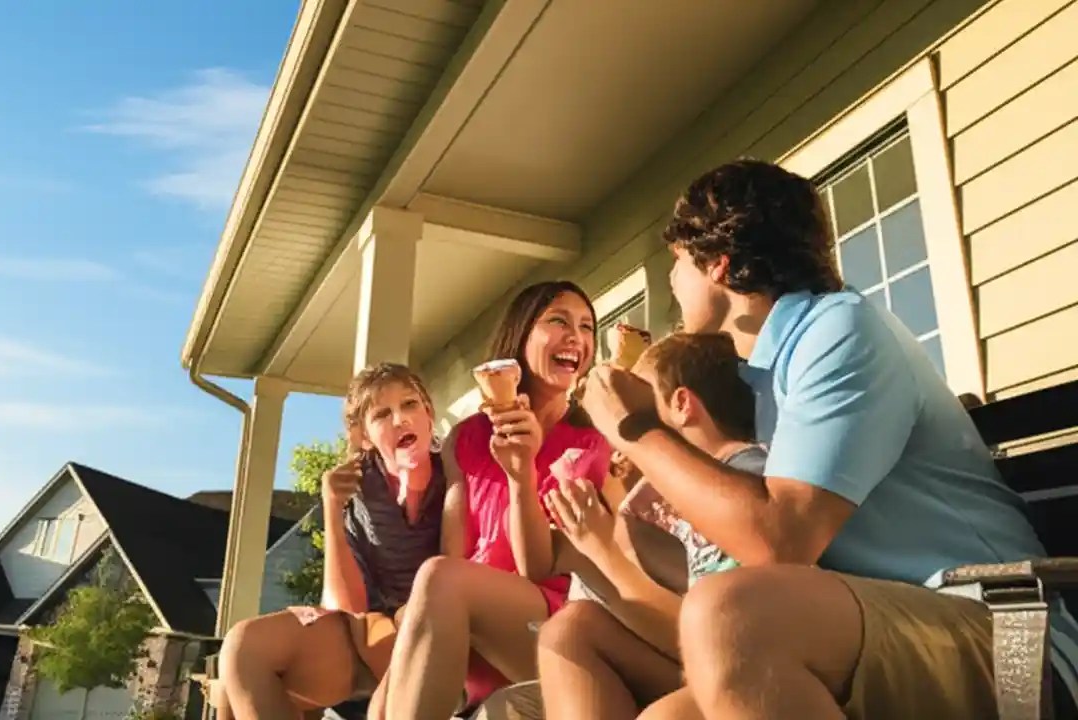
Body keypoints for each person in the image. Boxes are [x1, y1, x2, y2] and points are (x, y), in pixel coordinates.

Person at [576, 158, 1078, 719]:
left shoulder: (839, 331)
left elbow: (778, 542)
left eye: (677, 263)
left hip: (1006, 636)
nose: (672, 282)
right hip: (884, 628)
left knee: (732, 617)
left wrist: (641, 431)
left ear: (718, 265)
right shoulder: (771, 378)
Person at [372, 281, 612, 720]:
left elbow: (536, 570)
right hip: (467, 610)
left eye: (586, 327)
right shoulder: (468, 436)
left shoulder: (594, 445)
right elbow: (454, 554)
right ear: (519, 335)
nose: (576, 337)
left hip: (552, 626)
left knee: (443, 581)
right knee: (380, 707)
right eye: (558, 320)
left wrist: (523, 472)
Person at [538, 331, 766, 719]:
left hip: (761, 673)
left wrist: (603, 553)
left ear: (681, 404)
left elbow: (718, 642)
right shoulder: (696, 488)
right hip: (720, 658)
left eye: (634, 403)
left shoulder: (740, 480)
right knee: (570, 629)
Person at [214, 363, 449, 720]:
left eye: (410, 404)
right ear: (363, 437)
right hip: (361, 637)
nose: (401, 419)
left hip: (434, 635)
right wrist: (332, 507)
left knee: (230, 696)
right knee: (242, 647)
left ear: (429, 414)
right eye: (383, 414)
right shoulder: (359, 486)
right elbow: (347, 605)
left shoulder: (456, 473)